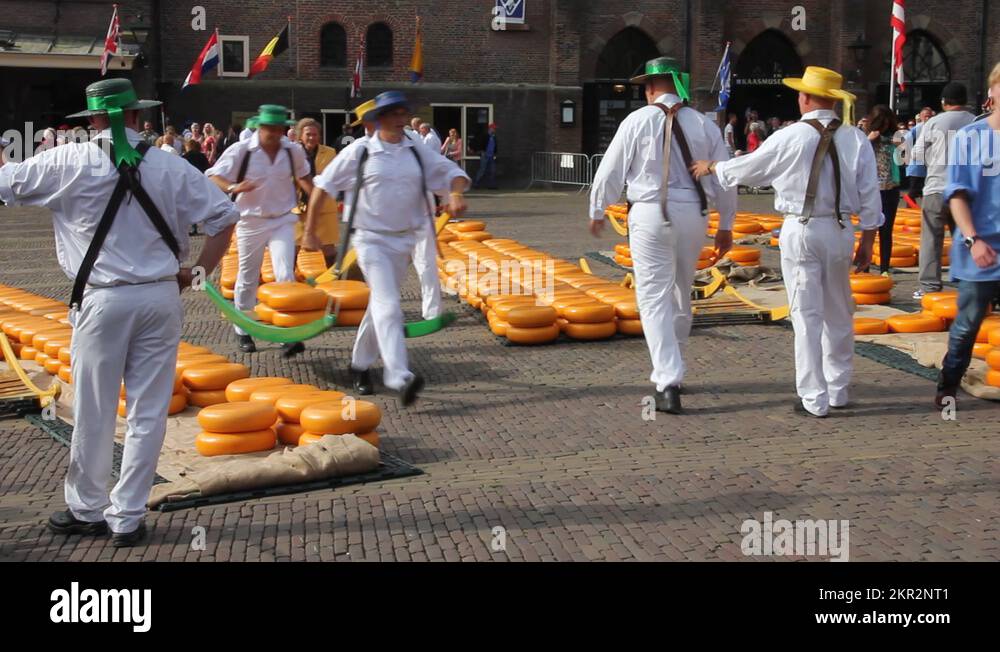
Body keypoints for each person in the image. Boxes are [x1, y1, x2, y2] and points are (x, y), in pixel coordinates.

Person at [0, 78, 238, 546]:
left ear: (91, 120)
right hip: (159, 296)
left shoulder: (68, 160)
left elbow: (4, 185)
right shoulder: (170, 167)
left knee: (94, 407)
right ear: (136, 116)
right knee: (149, 410)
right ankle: (127, 517)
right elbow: (225, 217)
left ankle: (86, 508)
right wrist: (198, 274)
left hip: (103, 299)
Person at [692, 66, 882, 419]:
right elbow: (871, 197)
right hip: (841, 230)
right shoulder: (856, 138)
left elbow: (751, 168)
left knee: (806, 313)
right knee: (839, 310)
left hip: (802, 228)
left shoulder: (792, 135)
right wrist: (868, 241)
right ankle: (838, 389)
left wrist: (714, 168)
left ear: (805, 98)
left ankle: (814, 397)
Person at [302, 91, 470, 407]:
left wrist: (455, 194)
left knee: (379, 307)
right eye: (392, 113)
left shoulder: (415, 150)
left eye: (403, 112)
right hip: (370, 240)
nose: (399, 118)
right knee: (388, 304)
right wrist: (310, 231)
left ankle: (360, 365)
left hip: (404, 240)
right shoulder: (359, 152)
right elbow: (323, 186)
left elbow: (450, 173)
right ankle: (399, 375)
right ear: (377, 119)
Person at [590, 57, 737, 415]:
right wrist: (726, 225)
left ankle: (668, 380)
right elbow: (726, 176)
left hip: (650, 212)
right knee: (680, 289)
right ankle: (674, 364)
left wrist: (597, 210)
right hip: (693, 213)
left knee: (653, 295)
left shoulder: (637, 121)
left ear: (651, 88)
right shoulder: (705, 124)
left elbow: (610, 170)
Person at [206, 104, 313, 357]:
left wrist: (318, 202)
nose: (276, 133)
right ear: (260, 127)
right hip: (250, 220)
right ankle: (243, 327)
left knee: (285, 273)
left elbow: (304, 178)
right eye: (271, 129)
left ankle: (284, 329)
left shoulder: (292, 151)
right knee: (248, 274)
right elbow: (212, 176)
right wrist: (234, 187)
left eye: (280, 129)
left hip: (283, 219)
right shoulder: (242, 150)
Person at [936, 62, 1000, 408]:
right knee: (968, 322)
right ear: (992, 92)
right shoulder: (971, 138)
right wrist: (973, 239)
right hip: (982, 246)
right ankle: (949, 381)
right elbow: (957, 194)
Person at [911, 82, 975, 300]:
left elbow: (917, 154)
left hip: (937, 187)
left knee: (931, 238)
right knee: (967, 236)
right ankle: (968, 281)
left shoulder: (934, 122)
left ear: (943, 102)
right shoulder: (976, 122)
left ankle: (929, 286)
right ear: (965, 101)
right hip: (967, 191)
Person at [293, 117, 340, 263]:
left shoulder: (331, 153)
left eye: (315, 134)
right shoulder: (292, 153)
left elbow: (336, 176)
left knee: (329, 248)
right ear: (300, 135)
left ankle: (333, 281)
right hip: (299, 206)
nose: (312, 137)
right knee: (294, 246)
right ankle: (289, 282)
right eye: (308, 134)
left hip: (324, 206)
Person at [865, 105, 904, 276]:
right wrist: (869, 139)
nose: (884, 126)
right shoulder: (868, 138)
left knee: (886, 230)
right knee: (869, 228)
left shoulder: (896, 137)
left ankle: (884, 268)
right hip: (871, 188)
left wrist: (901, 147)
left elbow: (905, 160)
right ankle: (864, 265)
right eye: (882, 123)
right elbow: (857, 157)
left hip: (890, 188)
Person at [473, 123, 498, 190]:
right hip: (485, 155)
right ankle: (476, 183)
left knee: (492, 170)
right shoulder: (484, 136)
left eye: (495, 129)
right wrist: (481, 152)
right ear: (490, 128)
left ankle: (491, 185)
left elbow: (495, 146)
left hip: (491, 156)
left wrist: (495, 153)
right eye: (494, 128)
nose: (495, 130)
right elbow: (479, 144)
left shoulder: (494, 137)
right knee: (482, 170)